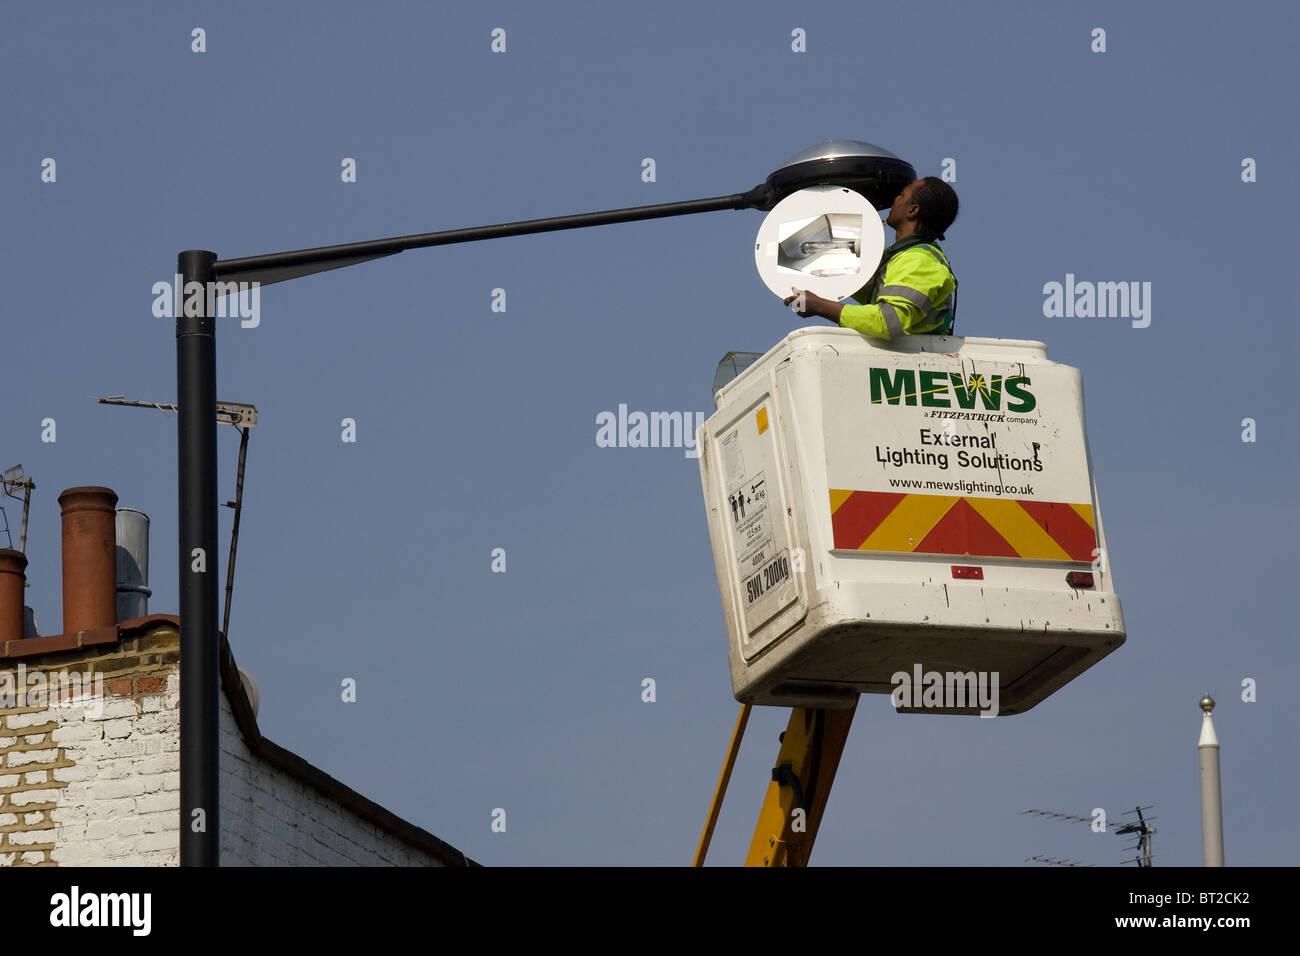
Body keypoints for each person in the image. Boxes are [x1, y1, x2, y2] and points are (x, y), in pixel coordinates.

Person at [783, 177, 959, 339]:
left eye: (901, 195)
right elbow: (860, 283)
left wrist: (820, 306)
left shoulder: (919, 261)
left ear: (913, 210)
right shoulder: (899, 256)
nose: (895, 199)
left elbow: (889, 322)